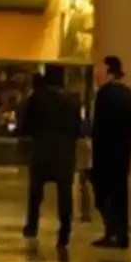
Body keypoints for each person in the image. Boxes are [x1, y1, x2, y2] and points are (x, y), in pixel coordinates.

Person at [19, 65, 83, 248]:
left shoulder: (37, 99)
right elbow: (78, 127)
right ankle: (64, 230)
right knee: (64, 192)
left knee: (36, 191)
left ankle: (32, 225)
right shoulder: (71, 100)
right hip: (64, 151)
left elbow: (25, 125)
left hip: (42, 148)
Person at [90, 55, 131, 249]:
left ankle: (112, 232)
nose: (97, 74)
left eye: (100, 71)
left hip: (105, 152)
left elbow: (99, 126)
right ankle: (120, 233)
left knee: (105, 193)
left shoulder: (105, 95)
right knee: (120, 192)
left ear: (110, 72)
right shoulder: (129, 95)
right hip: (123, 150)